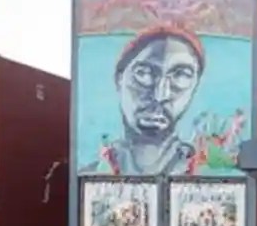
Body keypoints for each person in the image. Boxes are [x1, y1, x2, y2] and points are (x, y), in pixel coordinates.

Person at [83, 25, 205, 175]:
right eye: (144, 73)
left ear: (195, 87)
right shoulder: (89, 176)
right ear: (119, 79)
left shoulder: (210, 177)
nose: (160, 95)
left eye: (180, 76)